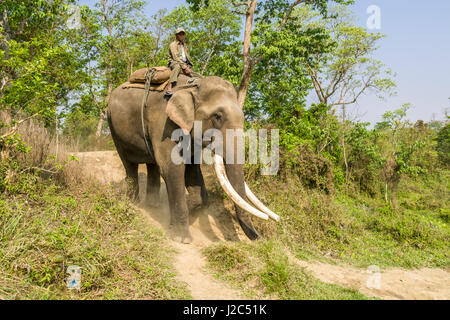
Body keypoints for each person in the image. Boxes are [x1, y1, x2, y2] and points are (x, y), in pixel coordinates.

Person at [165, 27, 201, 97]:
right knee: (177, 67)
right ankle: (169, 86)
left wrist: (188, 66)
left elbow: (187, 57)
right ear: (176, 35)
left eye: (183, 34)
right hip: (174, 62)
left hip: (184, 63)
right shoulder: (173, 45)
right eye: (180, 34)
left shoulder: (184, 45)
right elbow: (176, 58)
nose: (182, 36)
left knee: (198, 76)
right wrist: (184, 67)